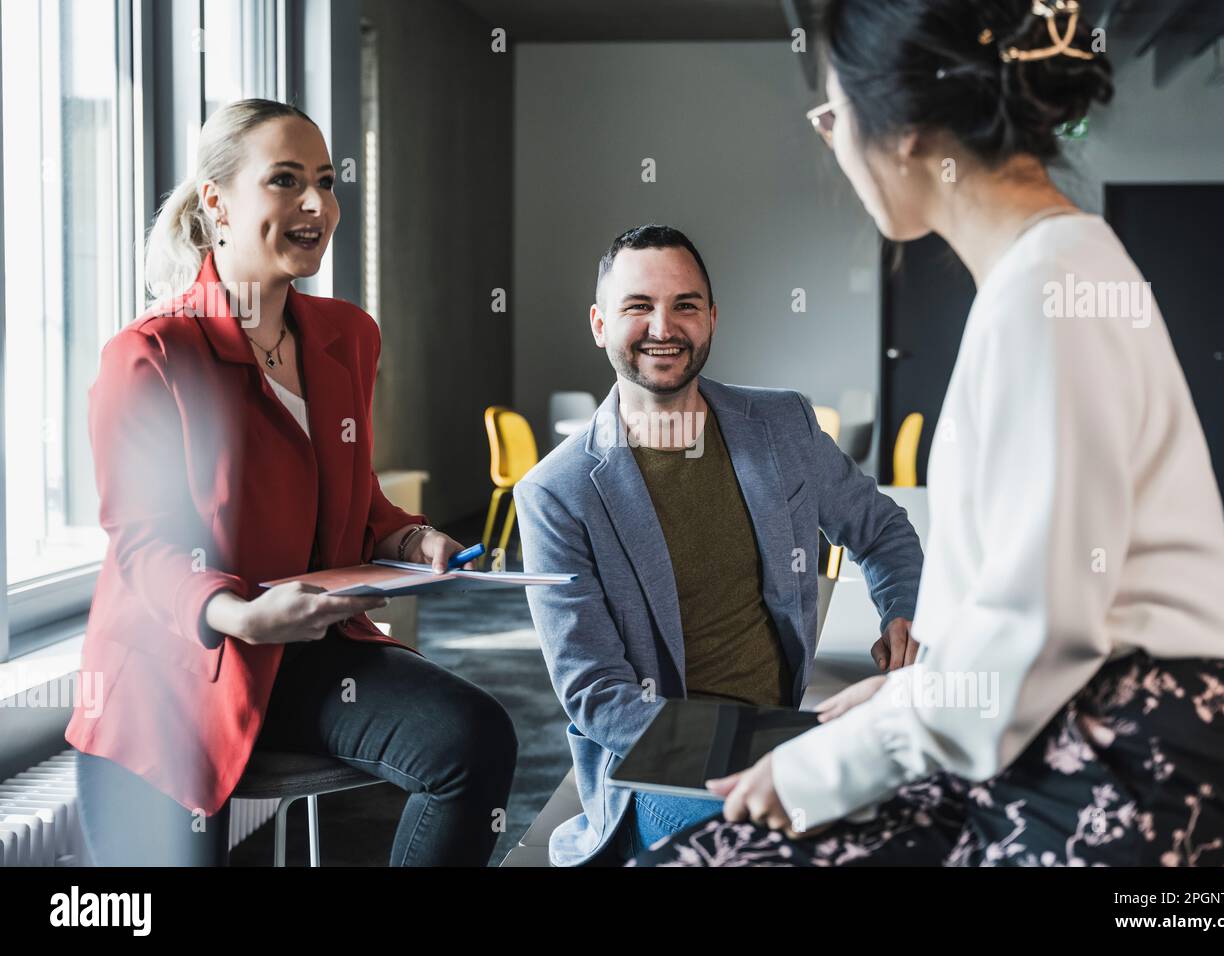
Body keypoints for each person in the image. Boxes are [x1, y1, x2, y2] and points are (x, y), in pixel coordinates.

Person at [633, 0, 1224, 867]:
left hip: (1129, 775)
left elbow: (1036, 634)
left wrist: (828, 764)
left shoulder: (1049, 292)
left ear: (902, 128)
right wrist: (904, 699)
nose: (833, 144)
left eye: (833, 116)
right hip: (1079, 739)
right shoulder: (1052, 271)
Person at [66, 98, 517, 866]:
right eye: (284, 181)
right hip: (173, 676)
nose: (317, 204)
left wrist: (411, 536)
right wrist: (242, 615)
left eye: (326, 180)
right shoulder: (149, 355)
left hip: (306, 653)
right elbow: (142, 549)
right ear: (217, 202)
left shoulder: (347, 336)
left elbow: (353, 499)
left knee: (474, 740)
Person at [514, 223, 924, 866]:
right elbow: (598, 696)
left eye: (684, 305)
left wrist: (901, 609)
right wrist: (770, 748)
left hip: (783, 736)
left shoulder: (783, 424)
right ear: (599, 323)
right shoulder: (557, 493)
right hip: (660, 769)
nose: (663, 327)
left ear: (711, 317)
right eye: (637, 306)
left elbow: (883, 530)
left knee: (935, 812)